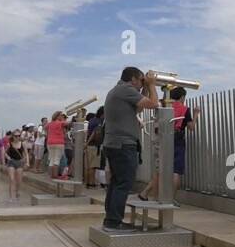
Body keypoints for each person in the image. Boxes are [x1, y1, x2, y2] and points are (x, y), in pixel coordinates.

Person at [102, 67, 159, 232]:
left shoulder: (118, 91)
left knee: (116, 183)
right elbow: (154, 104)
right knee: (124, 183)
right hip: (123, 144)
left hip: (115, 143)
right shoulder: (126, 89)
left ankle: (111, 220)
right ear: (133, 78)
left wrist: (147, 88)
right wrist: (153, 85)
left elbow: (141, 107)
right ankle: (114, 222)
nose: (142, 84)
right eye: (141, 80)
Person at [139, 87, 200, 203]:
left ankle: (147, 193)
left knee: (160, 169)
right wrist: (196, 114)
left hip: (161, 138)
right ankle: (170, 199)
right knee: (175, 171)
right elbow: (191, 127)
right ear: (182, 97)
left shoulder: (163, 106)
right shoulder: (184, 109)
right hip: (177, 139)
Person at [46, 111, 73, 180]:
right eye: (61, 115)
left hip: (50, 143)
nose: (62, 116)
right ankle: (55, 176)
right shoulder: (60, 123)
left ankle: (51, 175)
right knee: (57, 160)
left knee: (51, 160)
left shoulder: (49, 124)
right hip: (59, 143)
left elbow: (45, 127)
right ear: (58, 116)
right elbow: (69, 123)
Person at [5, 129, 29, 202]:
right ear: (13, 136)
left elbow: (26, 153)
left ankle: (17, 192)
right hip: (11, 162)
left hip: (19, 162)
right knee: (12, 179)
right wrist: (8, 157)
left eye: (19, 136)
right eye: (16, 136)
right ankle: (11, 197)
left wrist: (27, 162)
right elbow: (4, 152)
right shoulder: (10, 144)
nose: (17, 137)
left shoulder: (23, 144)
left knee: (19, 180)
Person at [86, 107, 105, 188]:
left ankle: (88, 182)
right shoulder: (99, 122)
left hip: (89, 145)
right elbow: (95, 133)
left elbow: (88, 133)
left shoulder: (91, 120)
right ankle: (91, 183)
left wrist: (86, 144)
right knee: (93, 166)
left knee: (89, 165)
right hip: (94, 145)